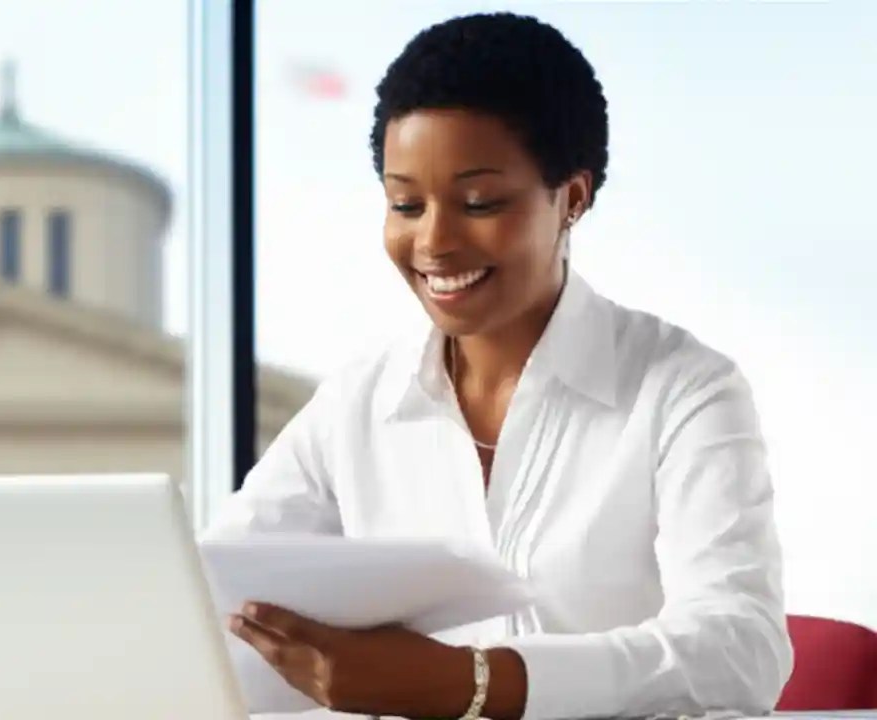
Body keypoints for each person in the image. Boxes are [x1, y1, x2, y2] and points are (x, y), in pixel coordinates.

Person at [204, 11, 793, 720]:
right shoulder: (358, 403)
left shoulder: (684, 390)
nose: (434, 242)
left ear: (572, 198)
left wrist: (467, 683)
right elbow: (209, 593)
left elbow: (740, 648)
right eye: (405, 204)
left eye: (479, 202)